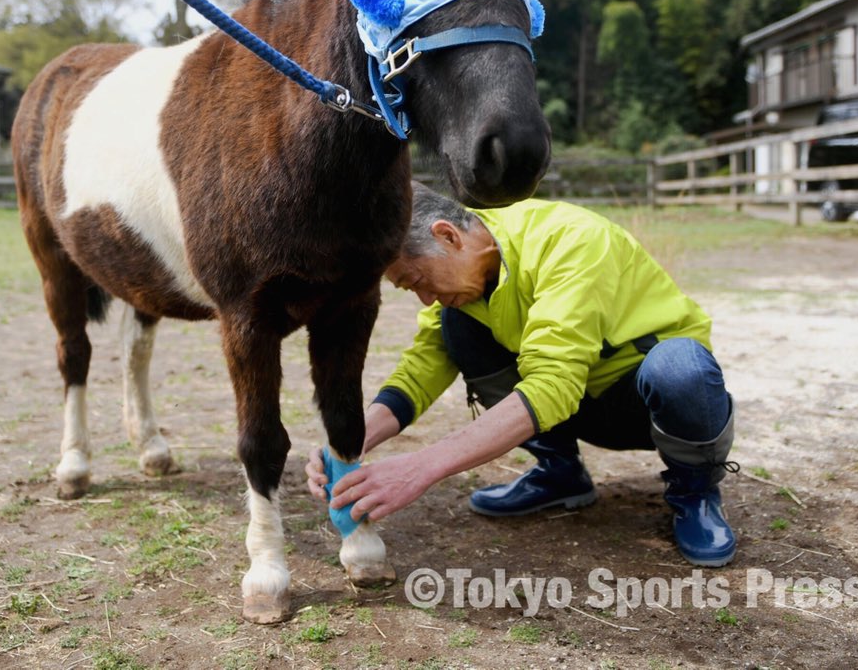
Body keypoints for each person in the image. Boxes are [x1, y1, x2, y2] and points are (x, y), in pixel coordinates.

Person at [306, 182, 737, 567]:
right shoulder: (468, 278)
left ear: (447, 235)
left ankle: (694, 492)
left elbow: (554, 384)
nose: (424, 298)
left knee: (681, 366)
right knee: (456, 328)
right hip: (572, 403)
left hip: (644, 403)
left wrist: (421, 467)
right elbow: (421, 369)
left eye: (418, 280)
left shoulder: (570, 240)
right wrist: (350, 439)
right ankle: (560, 472)